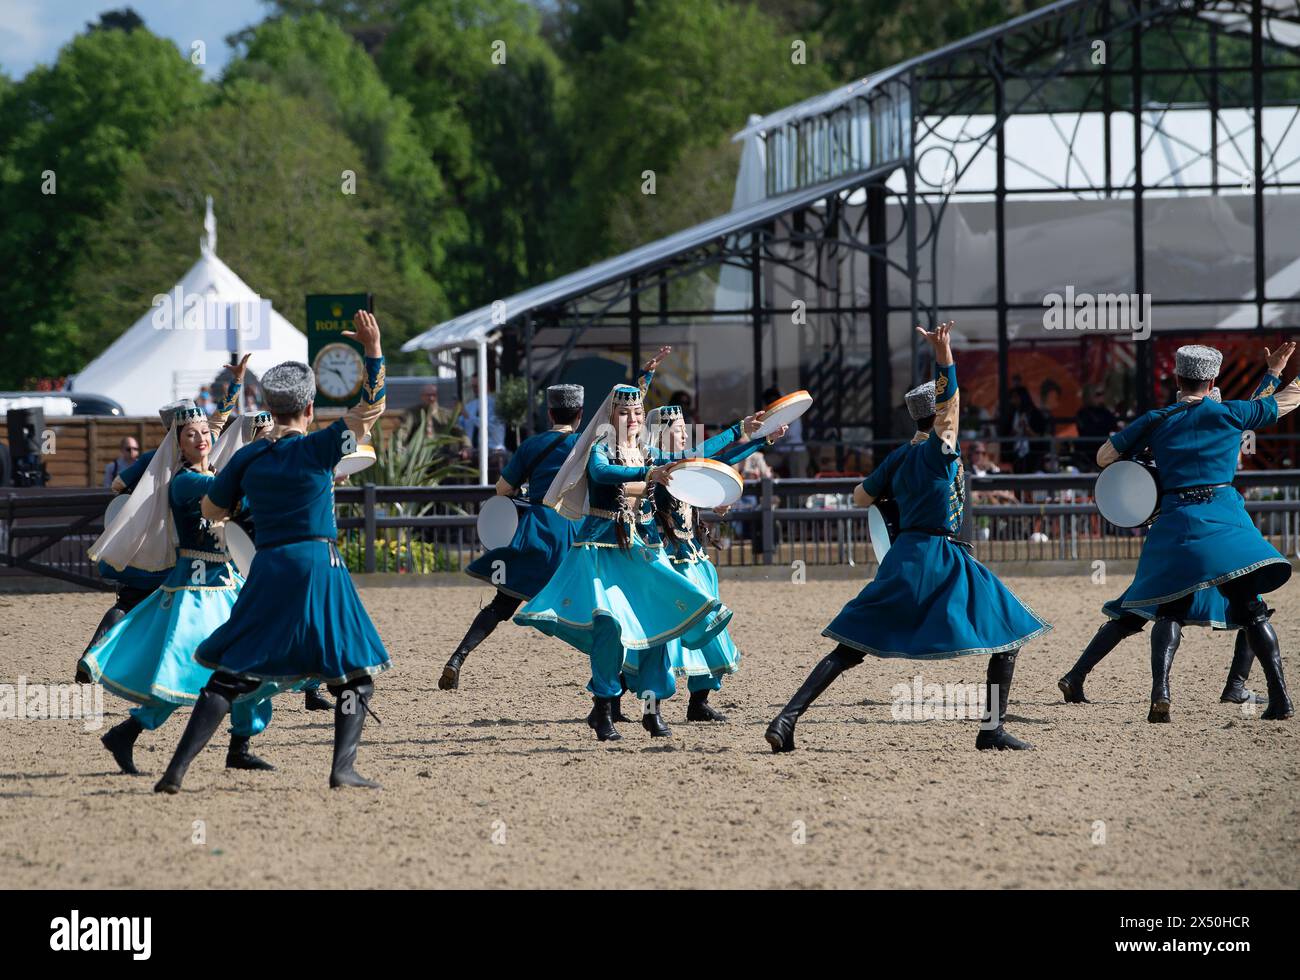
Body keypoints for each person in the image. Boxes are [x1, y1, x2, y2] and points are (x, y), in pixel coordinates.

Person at [765, 321, 1051, 753]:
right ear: (936, 417)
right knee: (1009, 632)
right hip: (945, 558)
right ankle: (991, 730)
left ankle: (786, 719)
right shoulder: (940, 449)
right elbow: (952, 404)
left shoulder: (900, 456)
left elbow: (861, 497)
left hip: (902, 558)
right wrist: (945, 355)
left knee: (850, 647)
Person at [153, 310, 391, 792]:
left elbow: (212, 509)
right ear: (308, 409)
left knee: (231, 673)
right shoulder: (322, 446)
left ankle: (175, 771)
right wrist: (373, 350)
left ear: (270, 405)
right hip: (320, 567)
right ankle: (342, 769)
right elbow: (371, 408)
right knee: (353, 676)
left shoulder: (247, 456)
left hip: (269, 565)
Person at [513, 380, 766, 741]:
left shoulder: (649, 453)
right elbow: (601, 474)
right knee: (609, 629)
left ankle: (651, 710)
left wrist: (741, 431)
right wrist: (645, 474)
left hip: (645, 549)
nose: (632, 417)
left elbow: (694, 458)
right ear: (610, 415)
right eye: (624, 411)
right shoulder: (601, 448)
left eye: (636, 412)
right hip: (602, 549)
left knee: (658, 627)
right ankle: (602, 711)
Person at [1060, 349, 1297, 707]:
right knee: (1252, 609)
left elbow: (1104, 457)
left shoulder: (1157, 419)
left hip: (1175, 523)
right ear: (1213, 381)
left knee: (1163, 610)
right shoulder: (1231, 413)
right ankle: (1278, 699)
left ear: (1176, 379)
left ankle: (1160, 692)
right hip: (1225, 522)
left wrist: (1145, 457)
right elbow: (1281, 404)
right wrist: (1276, 374)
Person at [80, 374, 278, 777]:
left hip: (228, 587)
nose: (201, 438)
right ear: (178, 443)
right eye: (191, 434)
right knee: (189, 674)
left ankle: (240, 745)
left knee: (255, 664)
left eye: (205, 431)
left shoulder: (218, 472)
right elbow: (229, 495)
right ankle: (128, 731)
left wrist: (236, 393)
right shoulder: (186, 484)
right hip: (195, 592)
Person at [635, 403, 786, 721]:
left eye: (682, 429)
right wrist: (738, 429)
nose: (682, 435)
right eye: (676, 430)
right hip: (669, 565)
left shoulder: (685, 465)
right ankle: (644, 705)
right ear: (660, 434)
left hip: (696, 561)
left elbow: (721, 462)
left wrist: (763, 441)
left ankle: (698, 703)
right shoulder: (655, 463)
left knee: (711, 628)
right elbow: (703, 454)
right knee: (663, 635)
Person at [439, 383, 586, 690]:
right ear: (580, 415)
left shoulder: (533, 445)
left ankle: (457, 657)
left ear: (549, 413)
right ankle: (615, 681)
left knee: (502, 604)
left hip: (536, 531)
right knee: (596, 608)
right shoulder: (587, 446)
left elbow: (502, 489)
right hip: (573, 534)